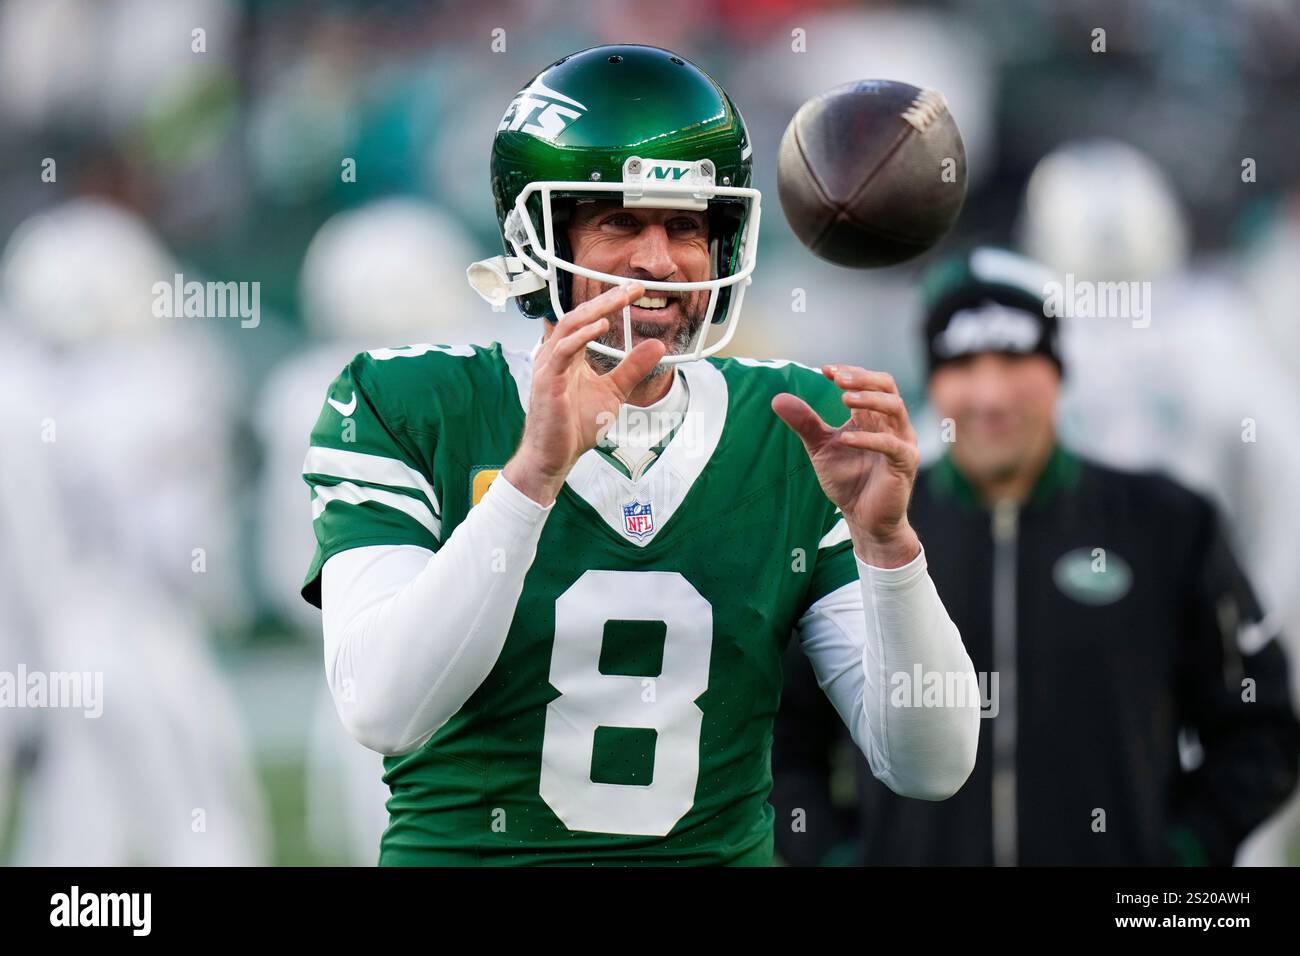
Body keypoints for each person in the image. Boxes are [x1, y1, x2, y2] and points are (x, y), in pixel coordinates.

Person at [300, 44, 979, 865]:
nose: (658, 261)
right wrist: (530, 480)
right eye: (620, 220)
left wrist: (889, 552)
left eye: (685, 226)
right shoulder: (410, 403)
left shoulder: (793, 420)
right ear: (539, 234)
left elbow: (931, 764)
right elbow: (382, 708)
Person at [773, 247, 1300, 866]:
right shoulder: (863, 532)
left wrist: (1179, 856)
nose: (991, 395)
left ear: (1059, 371)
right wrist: (835, 859)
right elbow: (779, 740)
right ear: (933, 382)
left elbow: (1260, 729)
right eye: (964, 364)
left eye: (1015, 359)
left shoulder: (1168, 523)